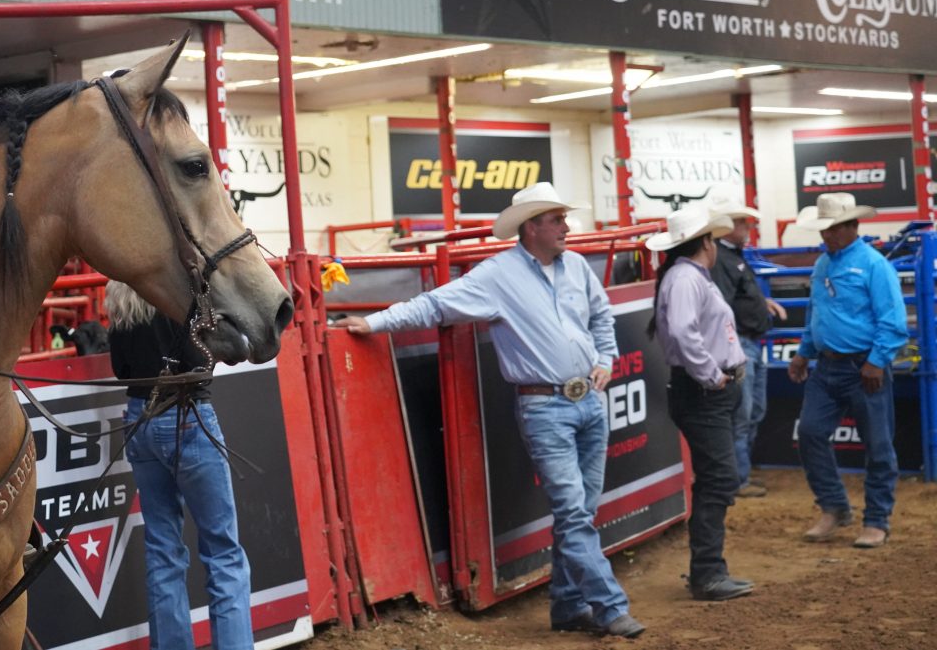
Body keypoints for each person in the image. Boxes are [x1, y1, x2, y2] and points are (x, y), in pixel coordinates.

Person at [335, 183, 645, 639]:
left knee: (579, 511)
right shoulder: (498, 275)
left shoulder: (577, 266)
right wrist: (375, 322)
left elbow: (601, 317)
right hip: (546, 405)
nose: (566, 226)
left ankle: (567, 606)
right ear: (531, 227)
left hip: (587, 401)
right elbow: (435, 304)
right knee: (576, 511)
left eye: (563, 218)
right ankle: (609, 605)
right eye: (557, 219)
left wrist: (605, 359)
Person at [107, 281, 253, 650]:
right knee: (223, 552)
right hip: (187, 415)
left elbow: (122, 370)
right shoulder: (178, 293)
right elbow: (205, 358)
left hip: (140, 418)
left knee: (162, 549)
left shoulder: (121, 301)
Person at [787, 193, 906, 550]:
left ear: (853, 225)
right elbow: (816, 314)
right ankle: (834, 506)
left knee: (878, 445)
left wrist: (877, 360)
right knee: (810, 432)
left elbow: (893, 319)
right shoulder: (822, 264)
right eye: (824, 229)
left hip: (863, 365)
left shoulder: (874, 264)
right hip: (827, 365)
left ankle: (876, 520)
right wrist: (803, 353)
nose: (828, 235)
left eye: (835, 228)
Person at [647, 206, 753, 602]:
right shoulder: (687, 279)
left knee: (715, 477)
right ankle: (707, 573)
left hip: (708, 390)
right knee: (719, 478)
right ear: (706, 243)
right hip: (704, 391)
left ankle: (708, 571)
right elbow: (683, 331)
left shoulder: (686, 277)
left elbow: (685, 330)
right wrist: (711, 374)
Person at [709, 203, 788, 498]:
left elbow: (734, 296)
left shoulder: (731, 256)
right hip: (740, 345)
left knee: (752, 411)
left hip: (748, 342)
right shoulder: (722, 258)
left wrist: (760, 303)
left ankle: (739, 473)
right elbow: (722, 304)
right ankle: (736, 479)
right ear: (728, 226)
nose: (748, 228)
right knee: (742, 415)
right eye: (743, 223)